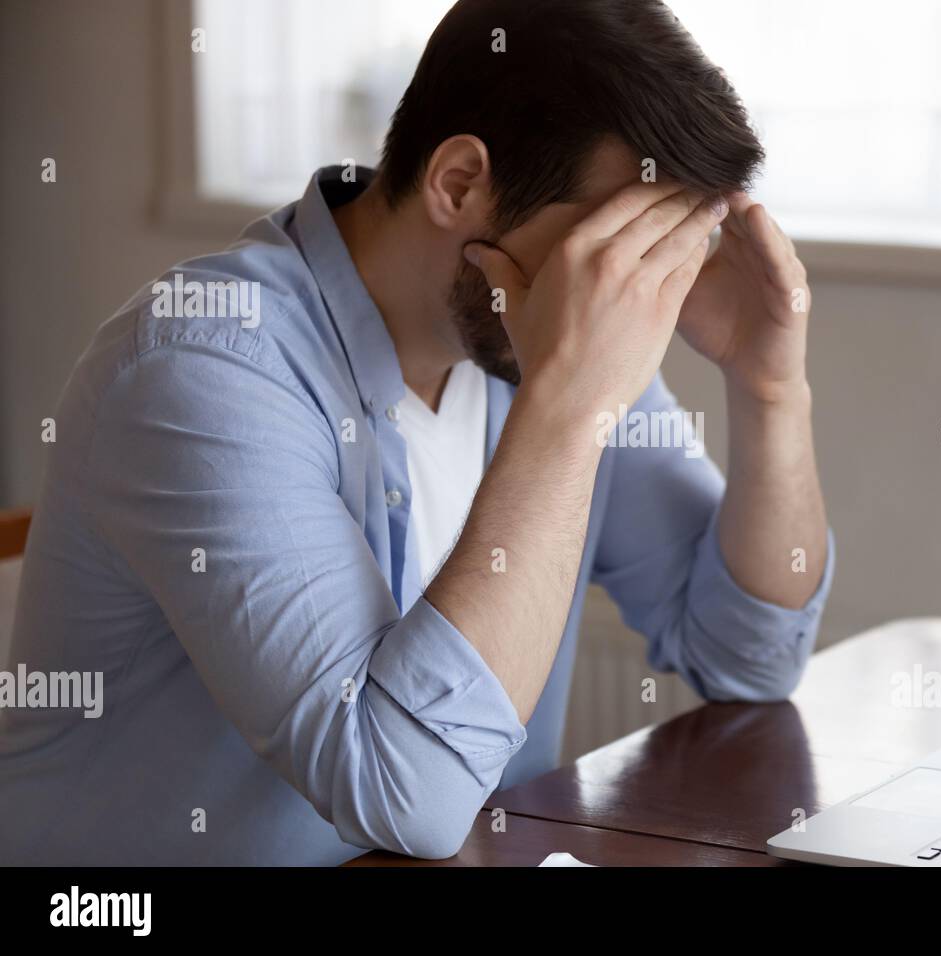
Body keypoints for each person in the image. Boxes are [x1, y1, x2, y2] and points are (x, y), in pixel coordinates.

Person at [0, 0, 833, 864]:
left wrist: (770, 387)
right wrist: (572, 409)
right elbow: (410, 799)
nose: (629, 288)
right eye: (610, 243)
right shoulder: (201, 372)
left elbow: (747, 657)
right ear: (459, 184)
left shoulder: (543, 345)